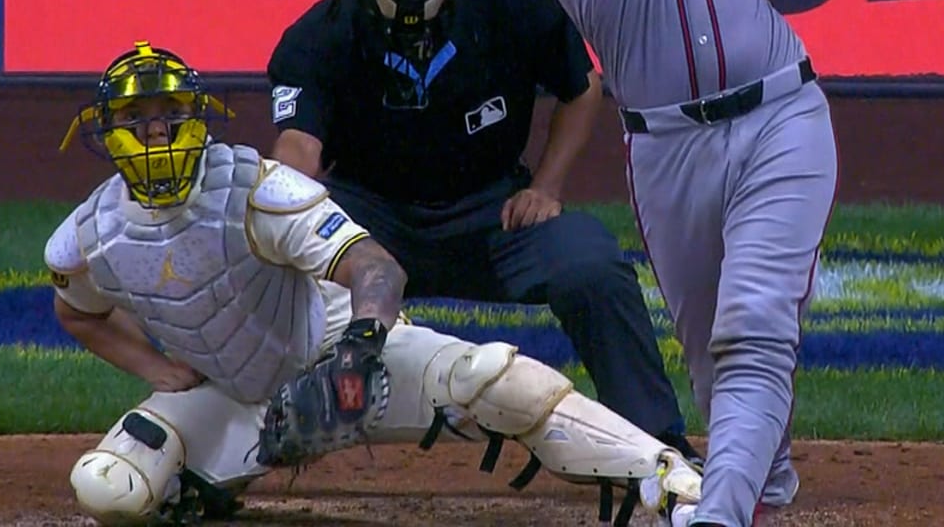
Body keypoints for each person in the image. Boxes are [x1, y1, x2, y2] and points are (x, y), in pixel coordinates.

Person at [43, 40, 702, 527]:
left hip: (349, 359)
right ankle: (214, 477)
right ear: (105, 132)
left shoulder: (256, 189)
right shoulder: (89, 235)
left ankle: (672, 479)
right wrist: (156, 368)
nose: (156, 131)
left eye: (169, 114)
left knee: (503, 381)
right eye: (138, 118)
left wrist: (358, 352)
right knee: (109, 489)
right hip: (238, 397)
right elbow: (78, 312)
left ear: (198, 117)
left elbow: (376, 267)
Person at [470, 0, 839, 527]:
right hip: (668, 147)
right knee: (712, 359)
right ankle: (764, 486)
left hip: (782, 117)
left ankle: (720, 514)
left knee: (753, 332)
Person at [264, 0, 701, 464]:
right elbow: (298, 151)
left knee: (593, 265)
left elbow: (582, 88)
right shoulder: (318, 36)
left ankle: (657, 446)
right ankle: (250, 437)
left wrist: (547, 186)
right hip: (371, 226)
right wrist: (290, 220)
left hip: (494, 213)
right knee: (275, 273)